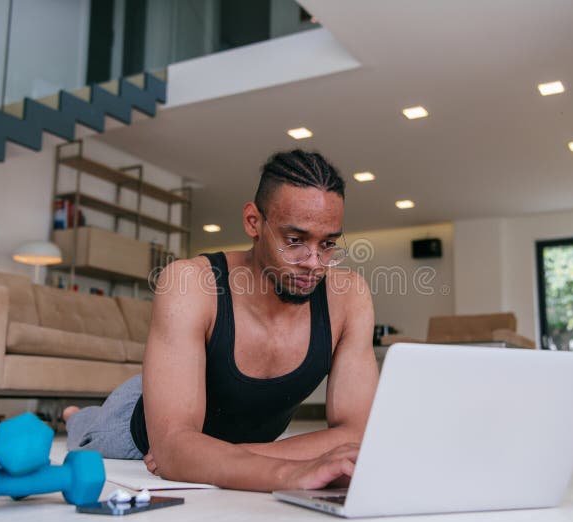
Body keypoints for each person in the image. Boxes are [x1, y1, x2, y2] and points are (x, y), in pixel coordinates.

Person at [64, 149, 379, 492]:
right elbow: (170, 450)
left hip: (231, 437)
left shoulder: (349, 295)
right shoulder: (188, 282)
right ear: (253, 222)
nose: (314, 263)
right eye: (295, 241)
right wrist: (287, 472)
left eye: (329, 244)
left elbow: (358, 433)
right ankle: (74, 415)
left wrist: (224, 455)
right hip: (131, 428)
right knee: (87, 427)